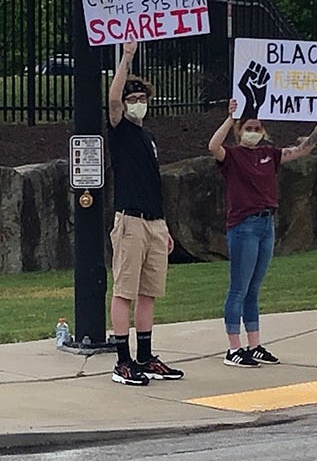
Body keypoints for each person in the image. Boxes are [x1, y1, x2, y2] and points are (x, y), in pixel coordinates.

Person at [208, 99, 317, 366]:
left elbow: (299, 151)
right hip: (244, 225)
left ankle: (254, 344)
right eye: (248, 127)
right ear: (240, 131)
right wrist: (230, 119)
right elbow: (213, 147)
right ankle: (234, 347)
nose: (253, 131)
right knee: (238, 288)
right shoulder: (232, 156)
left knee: (254, 288)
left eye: (257, 127)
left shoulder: (268, 154)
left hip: (266, 224)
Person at [106, 39, 183, 386]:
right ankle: (122, 361)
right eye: (132, 100)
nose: (137, 104)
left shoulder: (148, 136)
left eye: (142, 99)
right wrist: (127, 57)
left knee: (149, 291)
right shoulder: (119, 129)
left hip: (153, 222)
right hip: (130, 220)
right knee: (125, 290)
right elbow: (111, 99)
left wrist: (163, 226)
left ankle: (145, 355)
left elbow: (153, 183)